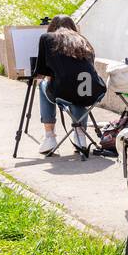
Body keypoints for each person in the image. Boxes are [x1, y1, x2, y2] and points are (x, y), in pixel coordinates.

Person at [34, 15, 107, 155]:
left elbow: (42, 71)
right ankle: (80, 136)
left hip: (64, 92)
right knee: (79, 93)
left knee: (44, 85)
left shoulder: (47, 38)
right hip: (93, 91)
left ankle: (49, 137)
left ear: (52, 28)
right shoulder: (84, 41)